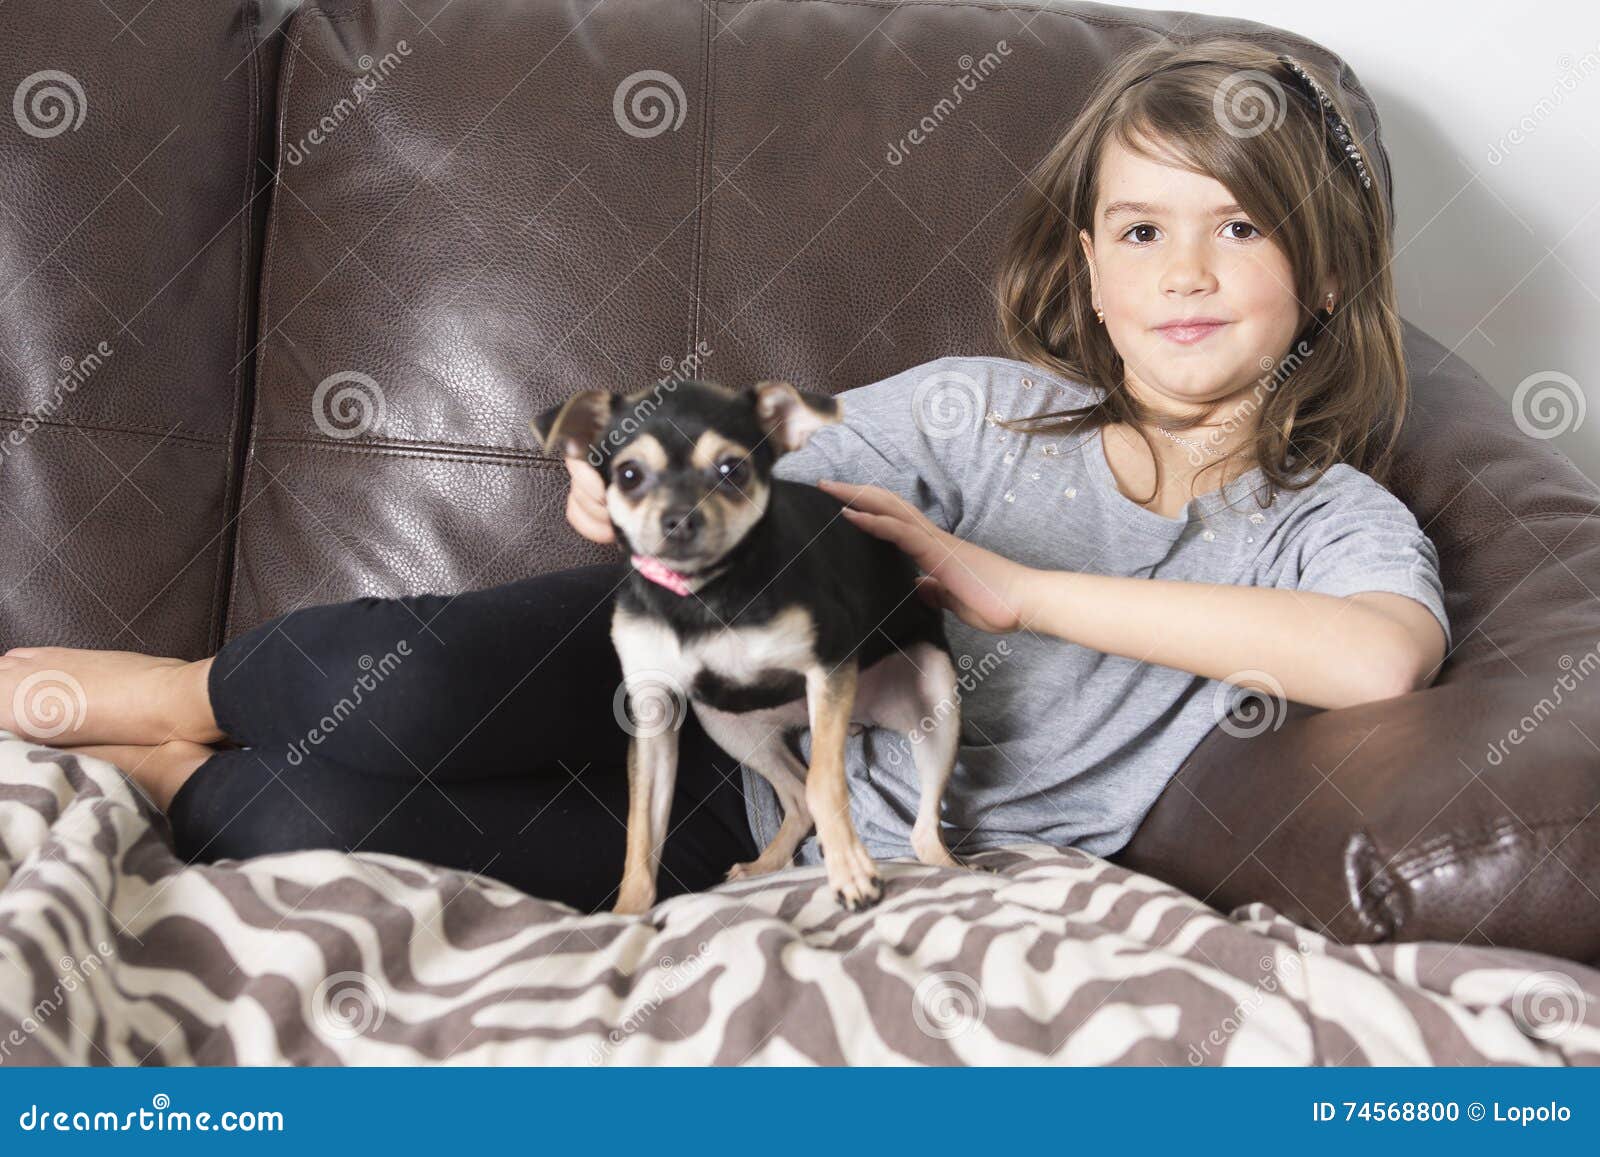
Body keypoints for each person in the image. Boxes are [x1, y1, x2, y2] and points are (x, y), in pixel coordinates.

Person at [0, 38, 1448, 913]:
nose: (1184, 271)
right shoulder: (983, 410)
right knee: (415, 687)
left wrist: (1015, 591)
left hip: (748, 826)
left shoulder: (1322, 525)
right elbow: (748, 472)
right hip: (674, 653)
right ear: (1087, 266)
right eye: (1140, 231)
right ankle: (161, 699)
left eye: (1237, 229)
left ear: (1322, 272)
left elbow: (1379, 661)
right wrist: (611, 487)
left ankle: (177, 771)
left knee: (299, 822)